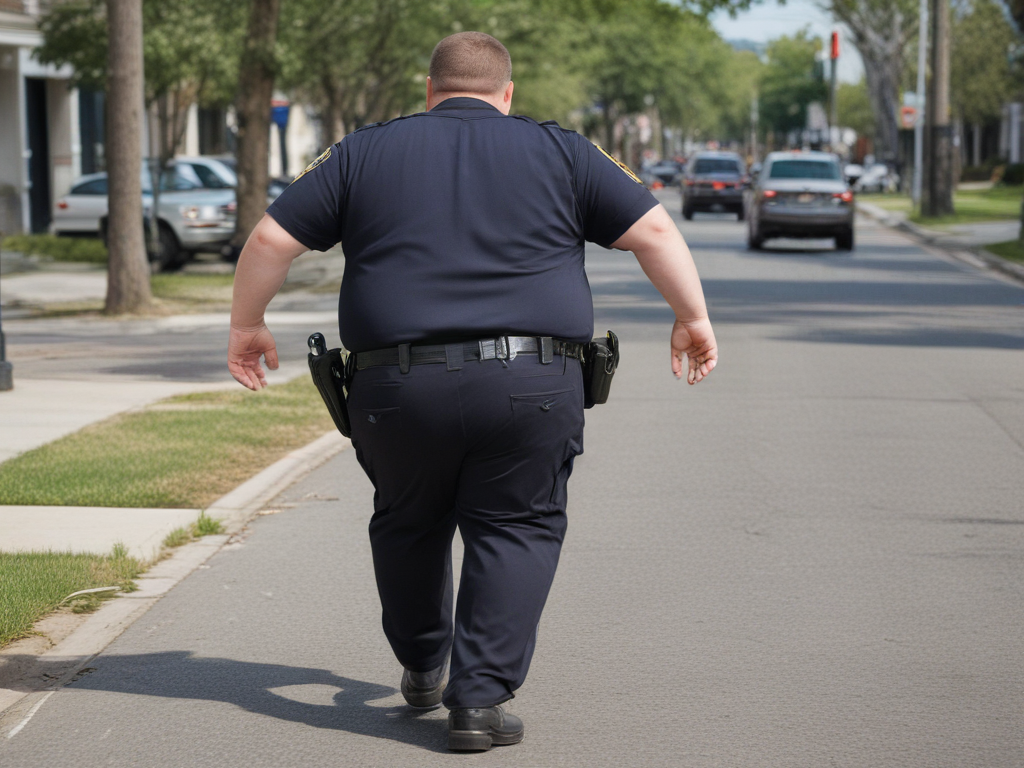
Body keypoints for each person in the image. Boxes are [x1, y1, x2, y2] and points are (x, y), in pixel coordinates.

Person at [227, 31, 717, 752]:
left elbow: (272, 239)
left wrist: (247, 325)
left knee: (407, 520)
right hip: (531, 383)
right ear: (507, 94)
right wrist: (691, 317)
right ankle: (478, 703)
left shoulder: (363, 151)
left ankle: (425, 662)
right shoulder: (564, 150)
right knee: (517, 526)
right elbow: (653, 231)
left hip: (396, 387)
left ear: (430, 91)